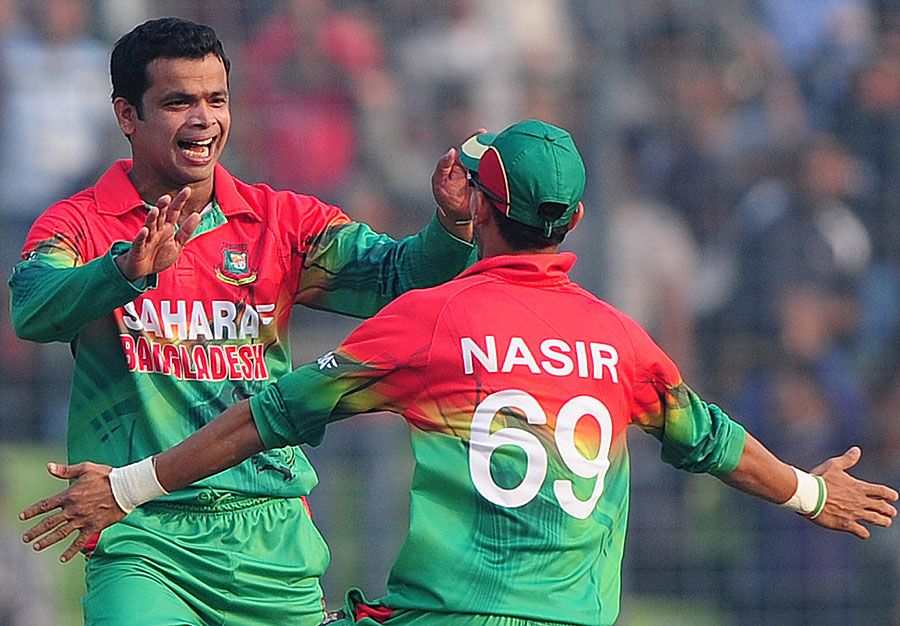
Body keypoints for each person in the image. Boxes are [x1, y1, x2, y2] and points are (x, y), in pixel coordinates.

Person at [20, 120, 898, 626]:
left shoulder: (430, 321)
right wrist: (814, 497)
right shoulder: (623, 342)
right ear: (577, 218)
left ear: (477, 203)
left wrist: (131, 486)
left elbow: (264, 416)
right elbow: (711, 440)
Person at [8, 16, 475, 626]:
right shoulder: (80, 224)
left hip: (269, 535)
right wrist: (121, 271)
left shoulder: (283, 222)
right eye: (178, 102)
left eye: (216, 99)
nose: (204, 119)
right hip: (144, 534)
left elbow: (396, 276)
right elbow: (32, 309)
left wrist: (453, 227)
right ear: (127, 116)